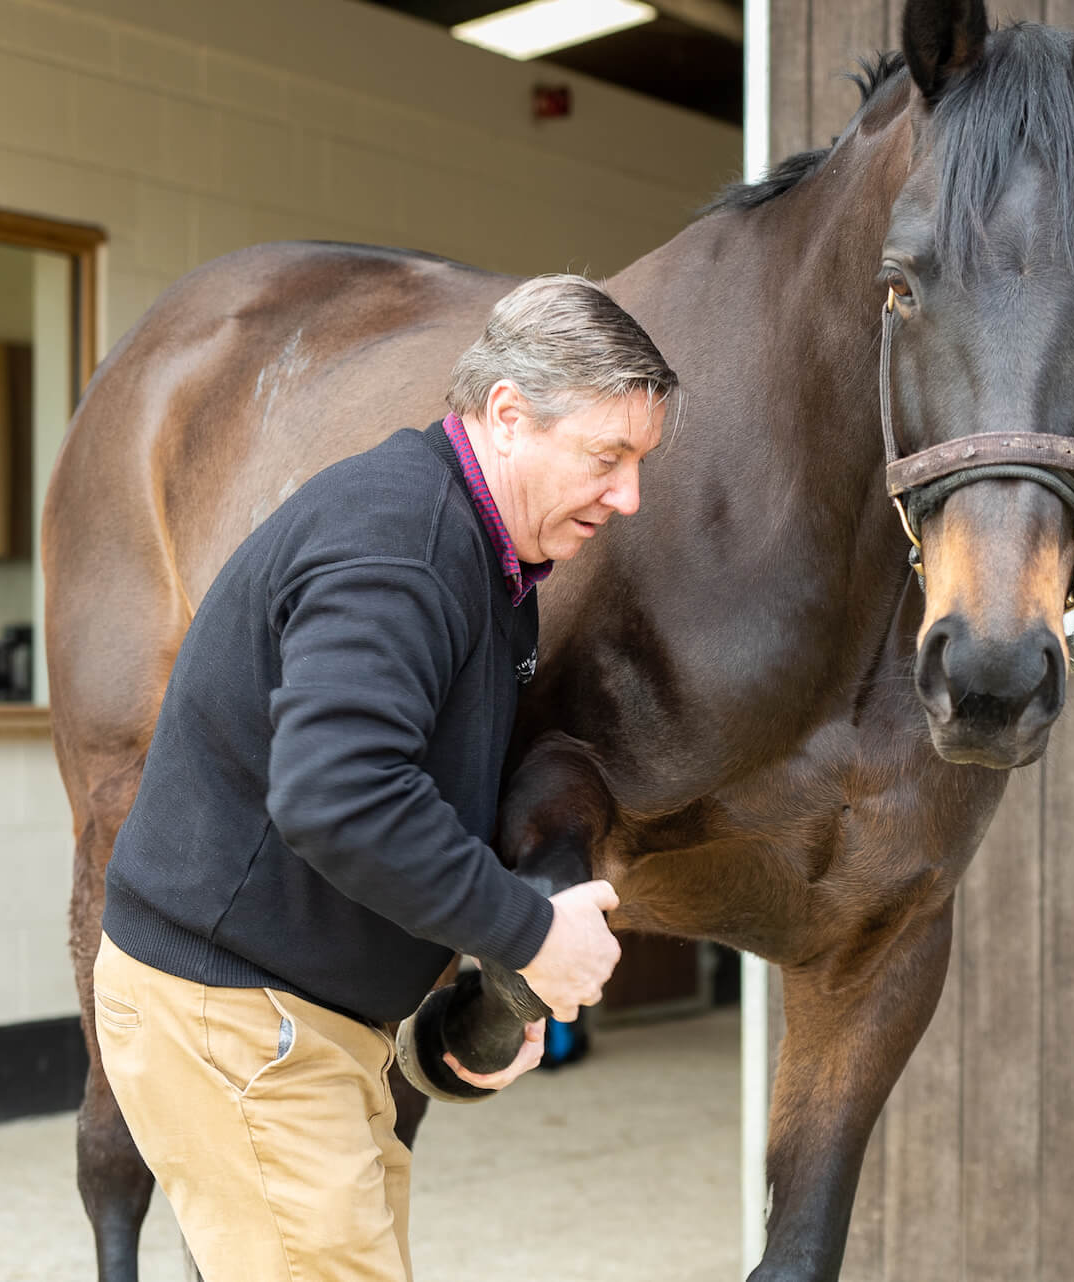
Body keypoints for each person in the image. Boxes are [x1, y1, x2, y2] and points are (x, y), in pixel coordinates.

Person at [90, 273, 677, 1282]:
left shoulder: (486, 560)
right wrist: (531, 932)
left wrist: (479, 994)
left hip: (306, 1028)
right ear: (507, 415)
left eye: (638, 462)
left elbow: (422, 784)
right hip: (237, 1023)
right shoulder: (400, 548)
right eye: (607, 456)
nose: (628, 495)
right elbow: (339, 794)